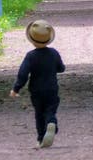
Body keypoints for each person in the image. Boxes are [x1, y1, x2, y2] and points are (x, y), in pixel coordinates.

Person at [10, 19, 65, 148]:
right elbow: (61, 68)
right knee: (50, 110)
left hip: (36, 91)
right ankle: (51, 122)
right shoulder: (54, 53)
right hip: (52, 89)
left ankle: (40, 139)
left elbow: (23, 74)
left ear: (31, 39)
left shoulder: (30, 56)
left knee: (39, 114)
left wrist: (16, 88)